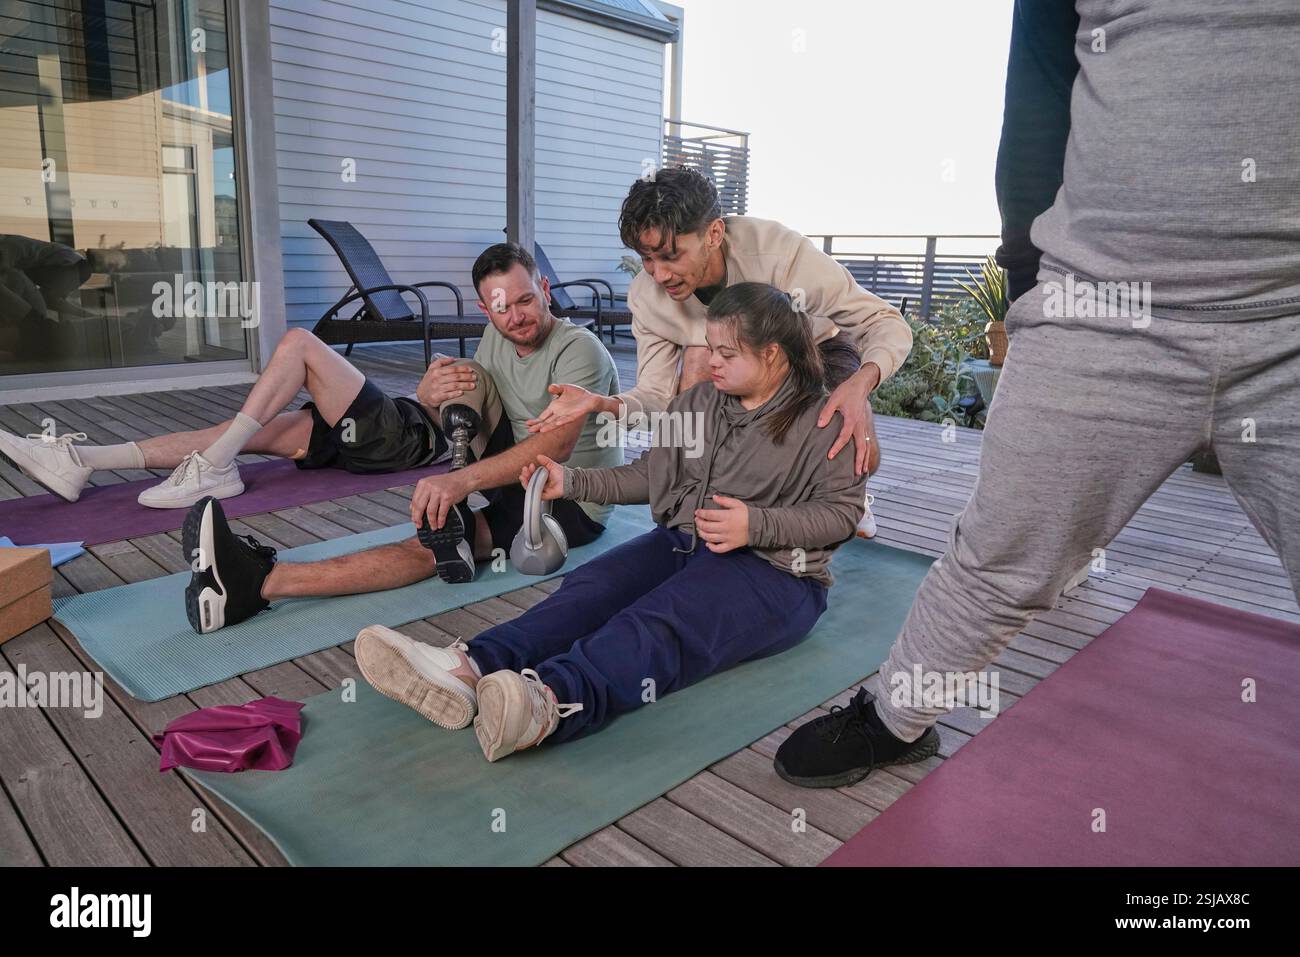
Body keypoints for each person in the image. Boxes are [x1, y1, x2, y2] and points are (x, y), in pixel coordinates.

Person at [773, 0, 1300, 788]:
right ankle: (896, 715)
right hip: (1099, 301)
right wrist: (1031, 281)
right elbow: (1039, 95)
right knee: (1000, 551)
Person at [351, 282, 893, 766]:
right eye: (710, 347)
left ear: (773, 354)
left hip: (778, 575)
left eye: (727, 353)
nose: (712, 362)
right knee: (593, 587)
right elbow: (652, 476)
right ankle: (468, 670)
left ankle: (548, 706)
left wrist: (758, 525)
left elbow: (842, 516)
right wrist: (572, 481)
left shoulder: (827, 419)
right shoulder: (701, 401)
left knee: (659, 620)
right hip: (683, 541)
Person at [177, 242, 621, 632]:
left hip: (567, 498)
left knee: (431, 545)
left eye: (527, 300)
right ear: (487, 310)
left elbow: (555, 447)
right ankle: (458, 517)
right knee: (459, 375)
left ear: (544, 290)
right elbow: (474, 403)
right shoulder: (495, 336)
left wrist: (460, 483)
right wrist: (428, 394)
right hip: (514, 474)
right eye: (503, 308)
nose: (518, 316)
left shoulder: (578, 349)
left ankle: (257, 585)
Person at [525, 166, 914, 538]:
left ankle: (847, 492)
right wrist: (601, 404)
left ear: (713, 234)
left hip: (814, 351)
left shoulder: (780, 253)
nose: (659, 275)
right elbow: (657, 398)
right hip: (722, 358)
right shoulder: (648, 297)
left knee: (858, 450)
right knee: (697, 362)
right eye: (647, 259)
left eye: (672, 255)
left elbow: (884, 321)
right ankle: (690, 505)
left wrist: (860, 385)